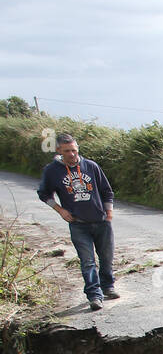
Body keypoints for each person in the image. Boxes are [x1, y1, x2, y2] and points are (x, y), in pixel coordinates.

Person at [36, 133, 118, 311]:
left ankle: (108, 286)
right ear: (59, 150)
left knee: (106, 257)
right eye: (67, 151)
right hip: (78, 224)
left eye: (74, 150)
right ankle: (94, 296)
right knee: (87, 260)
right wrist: (60, 210)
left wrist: (109, 212)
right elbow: (44, 194)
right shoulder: (52, 171)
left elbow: (107, 191)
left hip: (101, 221)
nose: (72, 154)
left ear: (77, 148)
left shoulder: (91, 166)